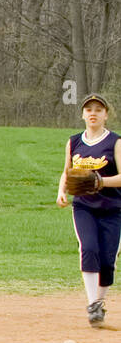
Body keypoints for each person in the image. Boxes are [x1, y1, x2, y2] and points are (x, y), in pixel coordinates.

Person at [56, 93, 121, 327]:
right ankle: (93, 304)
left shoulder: (115, 142)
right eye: (88, 109)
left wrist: (101, 182)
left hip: (113, 208)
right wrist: (61, 191)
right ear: (83, 114)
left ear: (106, 115)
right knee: (89, 248)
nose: (93, 113)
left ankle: (99, 304)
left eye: (98, 109)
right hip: (84, 206)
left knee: (108, 260)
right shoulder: (74, 142)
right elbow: (67, 170)